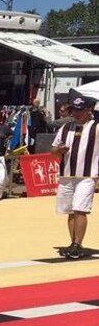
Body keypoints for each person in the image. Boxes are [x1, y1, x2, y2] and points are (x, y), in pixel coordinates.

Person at [51, 92, 99, 259]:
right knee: (71, 210)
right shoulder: (65, 128)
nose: (77, 113)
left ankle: (77, 244)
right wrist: (59, 150)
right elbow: (53, 151)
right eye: (75, 110)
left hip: (87, 175)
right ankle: (73, 244)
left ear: (89, 110)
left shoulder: (97, 127)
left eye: (80, 110)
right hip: (67, 175)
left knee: (80, 209)